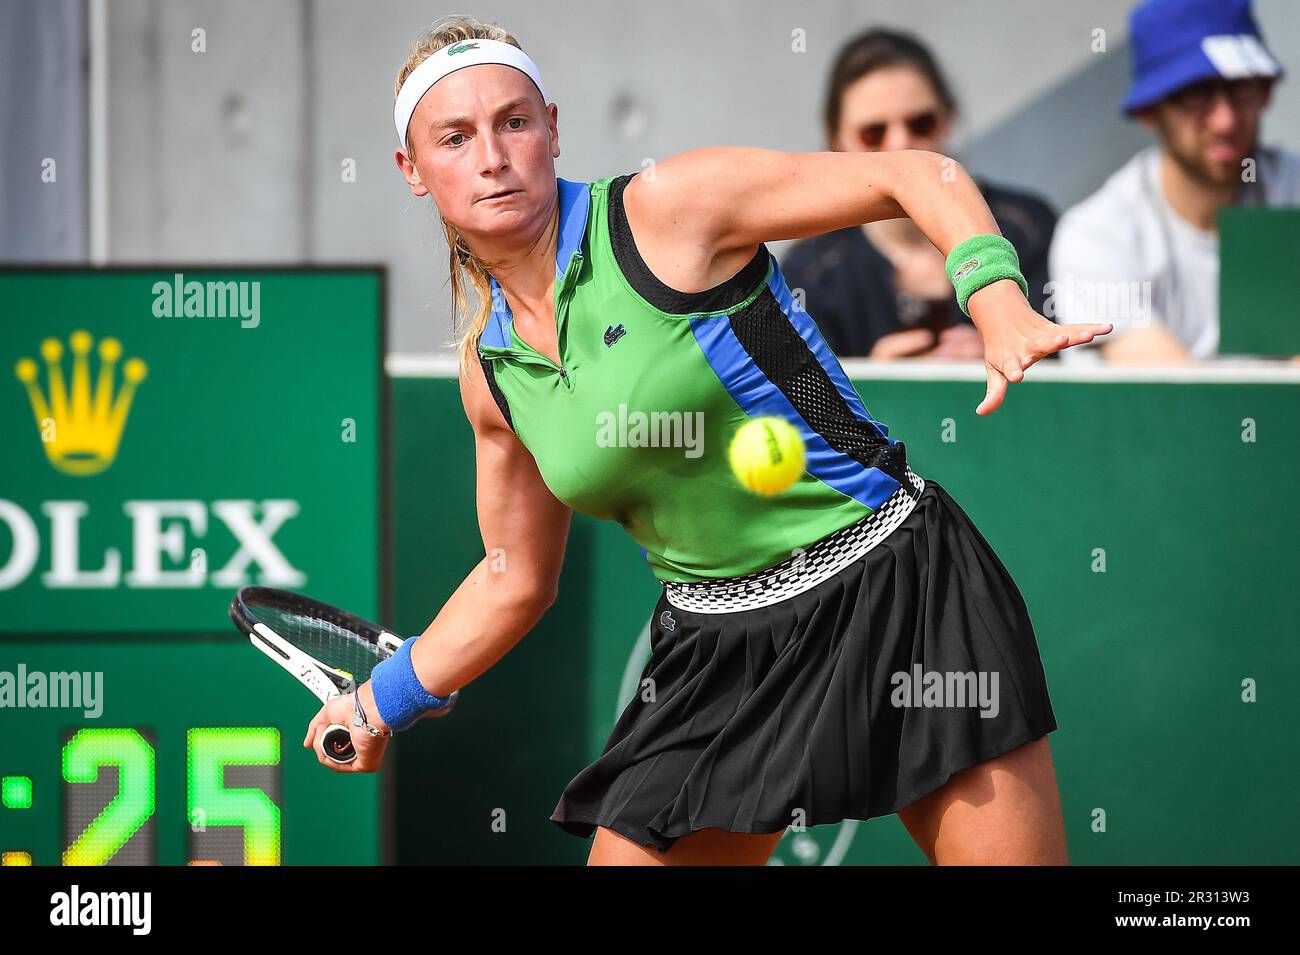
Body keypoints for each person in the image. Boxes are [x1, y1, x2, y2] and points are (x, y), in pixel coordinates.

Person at [304, 15, 1111, 866]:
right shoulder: (492, 373)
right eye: (455, 137)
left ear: (552, 125)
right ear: (412, 171)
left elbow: (918, 173)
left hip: (893, 588)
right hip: (715, 652)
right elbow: (514, 580)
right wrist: (379, 701)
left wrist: (995, 298)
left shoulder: (671, 208)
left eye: (513, 121)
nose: (493, 156)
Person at [781, 28, 1058, 361]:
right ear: (837, 139)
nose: (900, 144)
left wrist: (1015, 356)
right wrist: (875, 384)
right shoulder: (813, 270)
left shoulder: (1028, 227)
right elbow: (799, 403)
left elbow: (1069, 374)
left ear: (947, 119)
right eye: (873, 132)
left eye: (921, 123)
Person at [1049, 0, 1300, 364]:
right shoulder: (1099, 232)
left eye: (1242, 87)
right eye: (1194, 94)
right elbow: (1176, 402)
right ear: (1149, 110)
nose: (1224, 121)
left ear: (1267, 92)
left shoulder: (1290, 190)